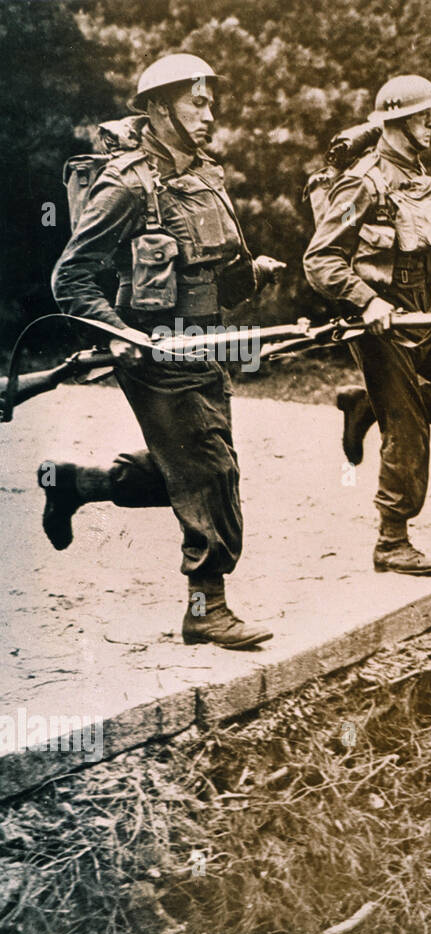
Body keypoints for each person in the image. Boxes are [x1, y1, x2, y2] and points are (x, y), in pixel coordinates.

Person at [45, 53, 284, 649]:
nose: (210, 115)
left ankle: (75, 484)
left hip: (207, 346)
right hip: (154, 352)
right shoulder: (126, 185)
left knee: (186, 470)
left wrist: (253, 274)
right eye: (196, 103)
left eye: (211, 103)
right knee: (210, 469)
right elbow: (71, 277)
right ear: (157, 109)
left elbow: (218, 276)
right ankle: (206, 608)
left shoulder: (207, 177)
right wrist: (123, 336)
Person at [304, 75, 431, 574]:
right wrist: (367, 301)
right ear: (395, 120)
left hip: (425, 309)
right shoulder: (363, 182)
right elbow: (321, 260)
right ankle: (392, 541)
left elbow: (415, 240)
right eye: (422, 115)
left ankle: (365, 405)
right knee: (408, 426)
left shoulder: (420, 176)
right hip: (380, 323)